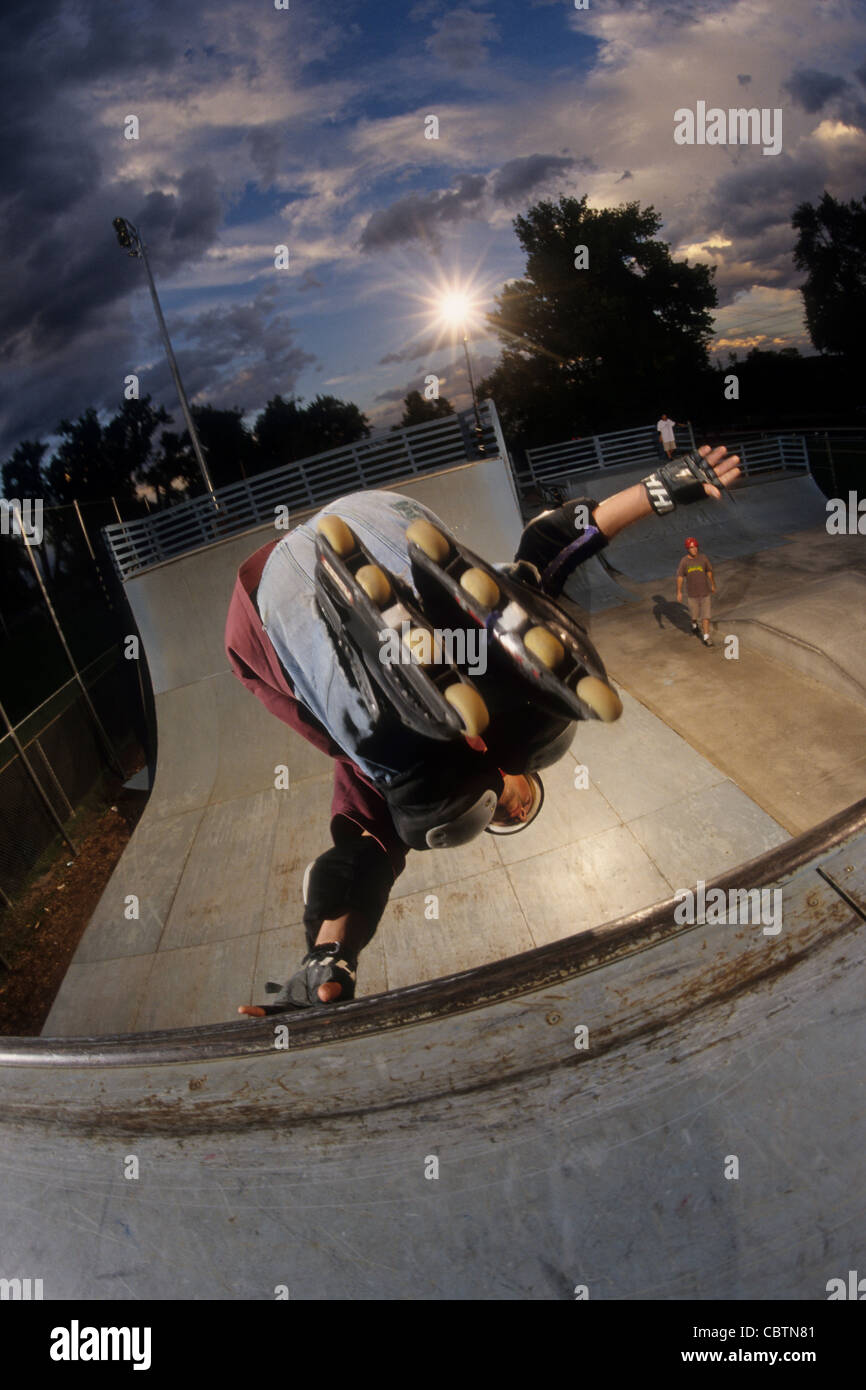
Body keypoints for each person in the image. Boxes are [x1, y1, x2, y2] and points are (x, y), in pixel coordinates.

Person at [226, 446, 740, 1015]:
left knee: (433, 814)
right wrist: (657, 490)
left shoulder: (407, 789)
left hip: (281, 606)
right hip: (387, 531)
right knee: (539, 731)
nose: (509, 810)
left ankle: (400, 667)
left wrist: (327, 957)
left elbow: (364, 858)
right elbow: (554, 543)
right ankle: (478, 635)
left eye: (501, 816)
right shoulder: (525, 729)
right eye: (521, 807)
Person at [676, 537, 716, 647]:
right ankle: (694, 623)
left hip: (705, 592)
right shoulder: (684, 561)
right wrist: (679, 592)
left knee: (705, 616)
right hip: (692, 594)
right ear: (688, 549)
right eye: (691, 548)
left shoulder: (703, 558)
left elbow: (709, 571)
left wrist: (712, 584)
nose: (694, 550)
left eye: (695, 547)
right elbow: (680, 577)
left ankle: (706, 637)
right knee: (694, 615)